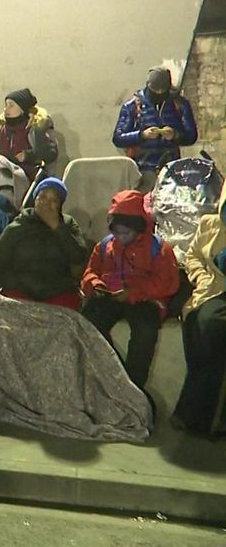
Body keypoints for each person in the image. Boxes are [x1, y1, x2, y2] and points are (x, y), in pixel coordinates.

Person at [81, 190, 179, 391]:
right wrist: (96, 285)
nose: (121, 237)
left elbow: (167, 282)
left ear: (139, 229)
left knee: (145, 331)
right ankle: (114, 375)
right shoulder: (105, 246)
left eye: (126, 233)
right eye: (117, 232)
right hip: (111, 297)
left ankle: (133, 387)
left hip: (146, 301)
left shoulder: (159, 249)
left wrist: (134, 292)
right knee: (89, 320)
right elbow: (90, 272)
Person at [172, 187, 226, 437]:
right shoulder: (210, 224)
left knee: (214, 329)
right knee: (202, 326)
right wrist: (202, 277)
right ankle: (195, 415)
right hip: (213, 290)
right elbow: (192, 255)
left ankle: (208, 418)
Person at [0, 177, 90, 310]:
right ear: (35, 200)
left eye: (53, 200)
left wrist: (56, 227)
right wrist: (23, 285)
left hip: (58, 291)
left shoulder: (68, 225)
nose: (46, 203)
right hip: (22, 291)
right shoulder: (18, 226)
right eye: (42, 197)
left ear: (60, 205)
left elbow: (79, 257)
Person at [113, 66, 198, 193]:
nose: (158, 93)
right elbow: (118, 138)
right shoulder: (133, 106)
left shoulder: (179, 104)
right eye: (155, 90)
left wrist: (175, 135)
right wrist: (142, 135)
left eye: (162, 90)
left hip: (171, 168)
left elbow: (191, 136)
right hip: (142, 170)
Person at [0, 88, 58, 181]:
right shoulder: (3, 129)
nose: (6, 109)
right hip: (6, 179)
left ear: (22, 109)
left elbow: (51, 152)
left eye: (11, 105)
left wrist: (27, 156)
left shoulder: (35, 128)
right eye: (5, 105)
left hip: (30, 180)